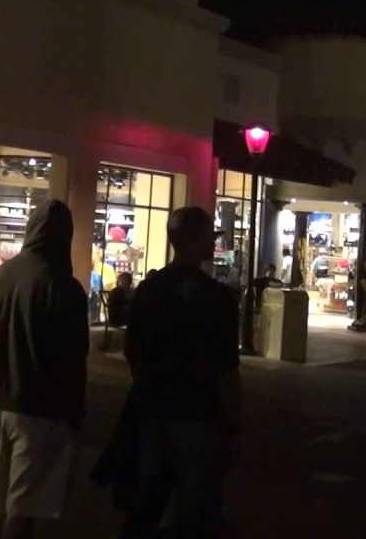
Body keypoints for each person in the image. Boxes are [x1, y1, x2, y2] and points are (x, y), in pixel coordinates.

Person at [119, 206, 241, 539]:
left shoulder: (150, 290)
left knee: (148, 497)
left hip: (154, 406)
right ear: (195, 239)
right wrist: (233, 414)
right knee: (196, 501)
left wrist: (145, 384)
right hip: (198, 411)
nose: (213, 243)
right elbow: (227, 364)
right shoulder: (217, 297)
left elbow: (133, 349)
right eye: (209, 236)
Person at [0, 199, 89, 539]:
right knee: (24, 507)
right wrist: (74, 412)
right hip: (39, 407)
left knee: (7, 500)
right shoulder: (62, 285)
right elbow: (73, 356)